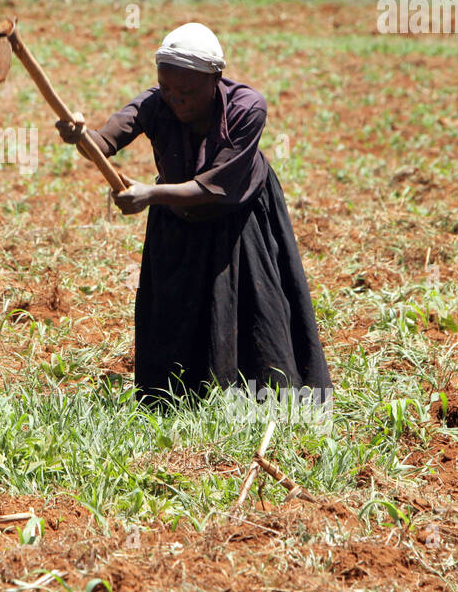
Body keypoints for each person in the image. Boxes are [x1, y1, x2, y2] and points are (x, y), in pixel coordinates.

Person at [56, 23, 331, 406]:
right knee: (175, 309)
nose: (175, 99)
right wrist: (80, 137)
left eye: (186, 91)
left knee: (253, 309)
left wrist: (150, 194)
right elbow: (104, 143)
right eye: (166, 88)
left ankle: (263, 398)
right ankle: (176, 398)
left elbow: (214, 187)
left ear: (215, 79)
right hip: (177, 217)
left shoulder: (248, 107)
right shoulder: (156, 103)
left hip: (239, 217)